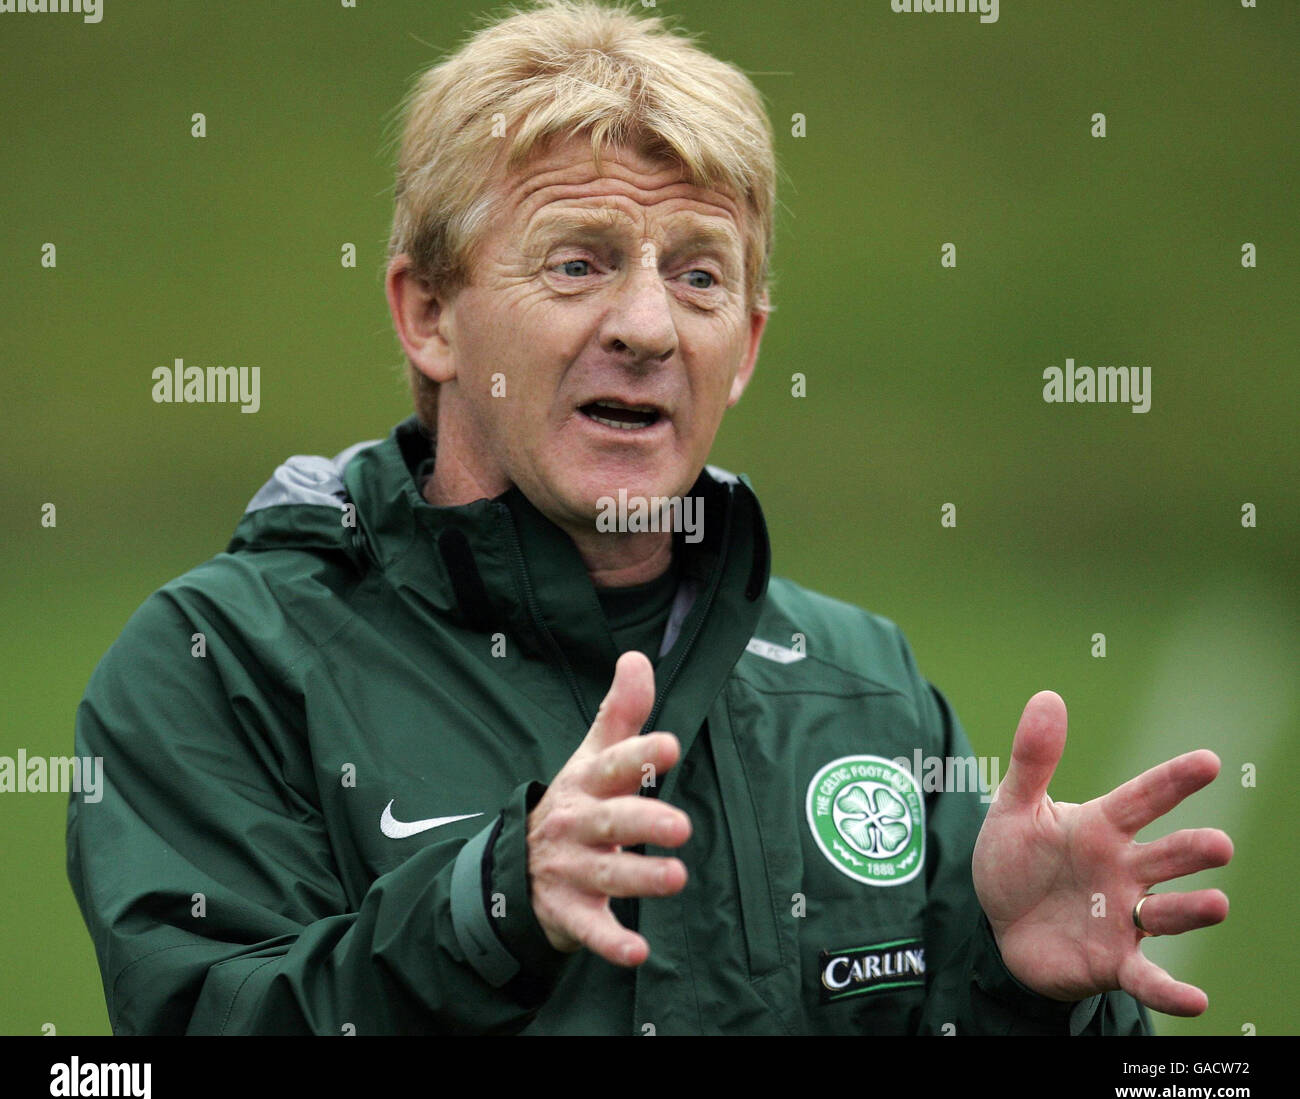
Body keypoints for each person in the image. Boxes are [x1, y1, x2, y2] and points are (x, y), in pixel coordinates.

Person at [67, 0, 1231, 1035]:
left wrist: (1015, 989)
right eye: (576, 263)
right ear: (428, 315)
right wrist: (487, 905)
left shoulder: (860, 684)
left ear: (746, 350)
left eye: (698, 274)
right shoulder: (221, 666)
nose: (647, 326)